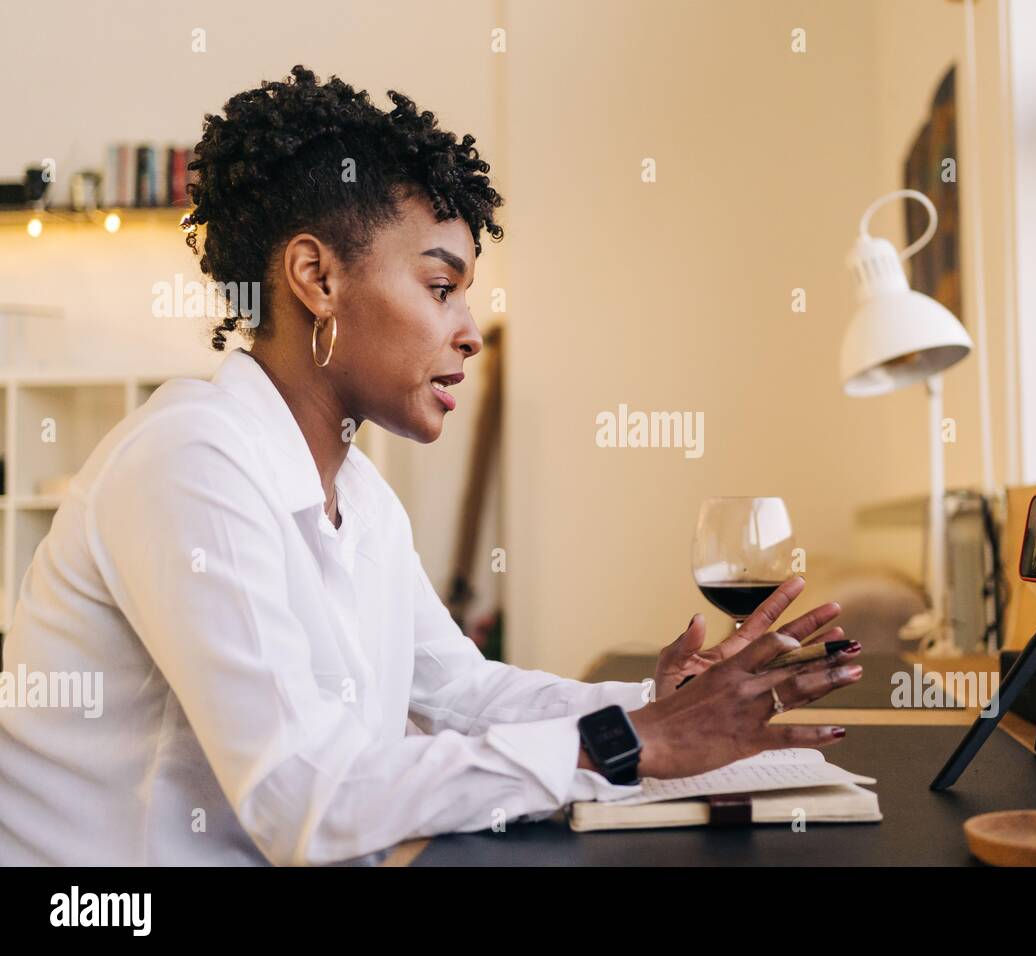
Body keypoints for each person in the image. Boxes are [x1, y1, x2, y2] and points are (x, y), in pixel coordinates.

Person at [0, 67, 863, 866]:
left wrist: (647, 707)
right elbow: (298, 796)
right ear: (316, 278)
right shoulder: (190, 462)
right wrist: (628, 742)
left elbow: (462, 691)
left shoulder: (359, 496)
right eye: (440, 286)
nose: (469, 332)